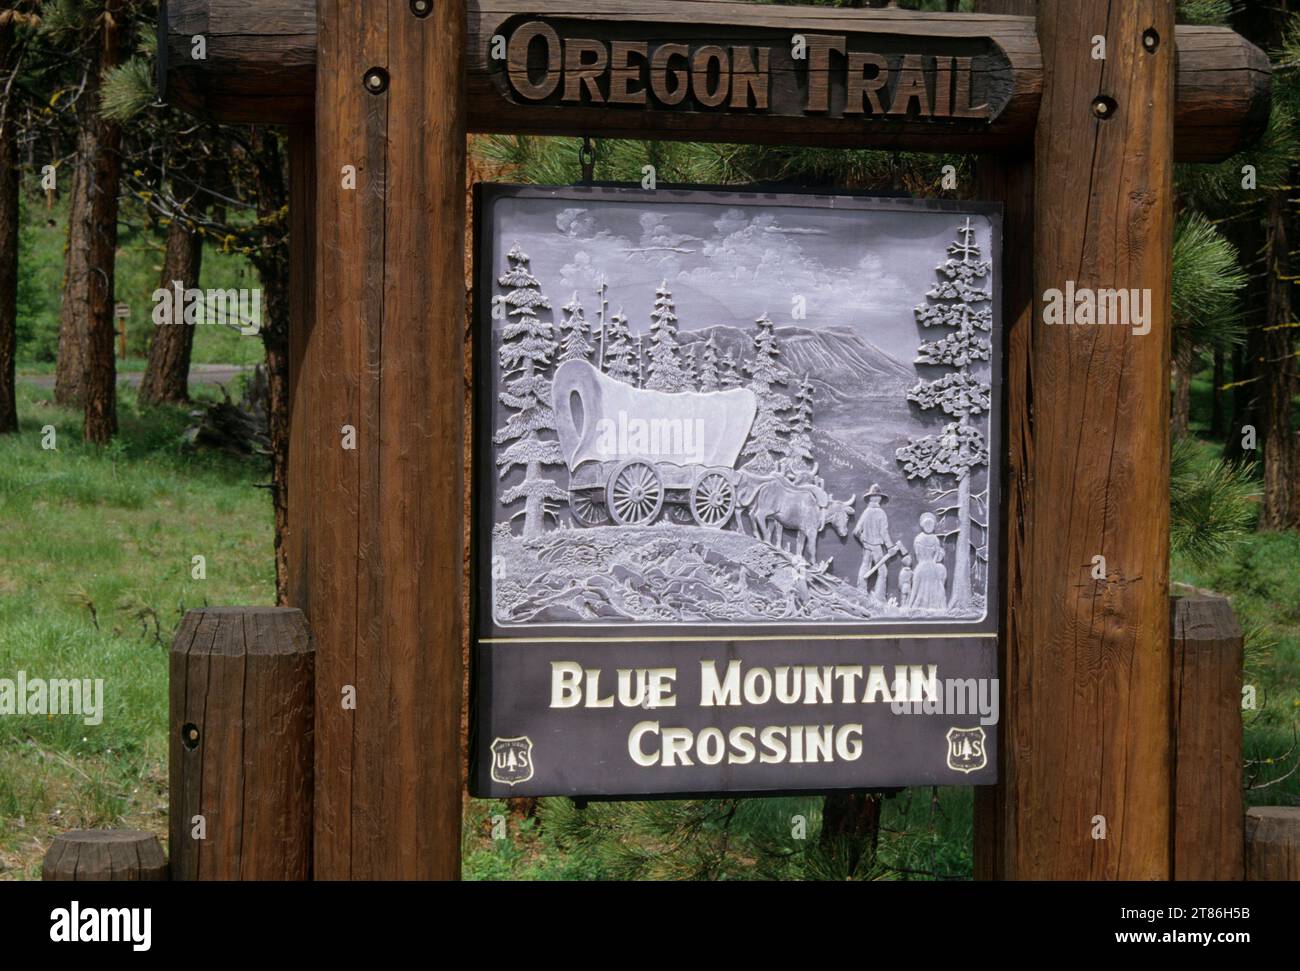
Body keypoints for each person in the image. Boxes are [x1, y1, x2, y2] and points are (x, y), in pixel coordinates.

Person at [854, 484, 893, 599]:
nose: (879, 498)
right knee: (883, 572)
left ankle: (861, 591)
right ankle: (879, 596)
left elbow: (856, 531)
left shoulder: (866, 512)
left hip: (867, 546)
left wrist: (864, 541)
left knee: (865, 566)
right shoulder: (880, 513)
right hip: (876, 547)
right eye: (879, 496)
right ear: (877, 498)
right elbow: (884, 532)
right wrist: (890, 546)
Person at [907, 513, 948, 611]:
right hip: (930, 566)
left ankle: (918, 606)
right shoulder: (935, 539)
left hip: (922, 565)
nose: (929, 526)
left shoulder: (919, 538)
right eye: (927, 524)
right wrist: (933, 561)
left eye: (931, 525)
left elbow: (918, 555)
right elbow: (936, 555)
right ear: (923, 525)